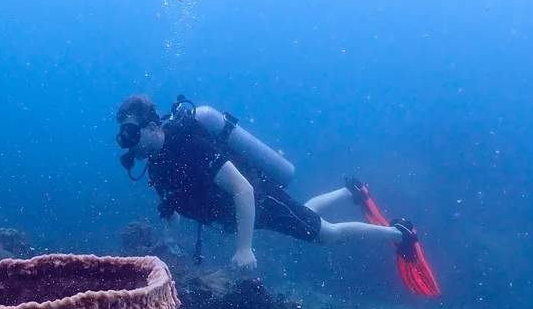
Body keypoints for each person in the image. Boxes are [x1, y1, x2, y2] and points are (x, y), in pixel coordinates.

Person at [114, 94, 419, 273]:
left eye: (131, 134)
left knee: (328, 234)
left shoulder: (190, 145)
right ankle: (351, 191)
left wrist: (244, 248)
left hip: (260, 201)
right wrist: (169, 240)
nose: (128, 145)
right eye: (123, 137)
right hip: (237, 213)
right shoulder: (156, 164)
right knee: (305, 213)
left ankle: (401, 233)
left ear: (153, 126)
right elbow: (171, 203)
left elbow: (242, 189)